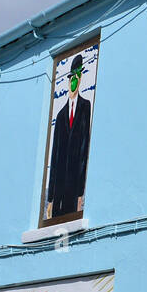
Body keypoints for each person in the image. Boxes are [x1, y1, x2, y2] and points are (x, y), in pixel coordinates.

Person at [47, 52, 92, 220]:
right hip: (58, 188)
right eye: (72, 77)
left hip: (74, 187)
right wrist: (50, 198)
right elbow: (54, 157)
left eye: (78, 77)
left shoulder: (85, 107)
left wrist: (80, 193)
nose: (75, 81)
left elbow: (84, 150)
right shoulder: (60, 115)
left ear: (80, 79)